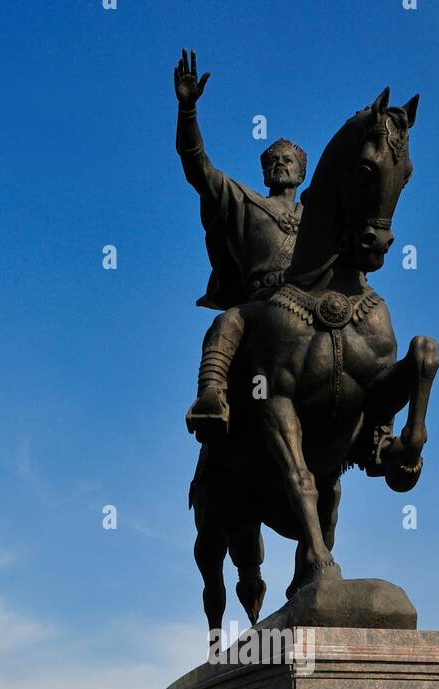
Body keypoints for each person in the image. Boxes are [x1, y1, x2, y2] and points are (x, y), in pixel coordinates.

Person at [174, 49, 308, 438]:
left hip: (310, 304)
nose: (281, 164)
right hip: (259, 305)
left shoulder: (316, 218)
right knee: (226, 321)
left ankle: (377, 428)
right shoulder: (243, 201)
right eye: (274, 160)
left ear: (302, 172)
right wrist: (188, 111)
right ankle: (211, 397)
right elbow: (196, 165)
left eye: (289, 160)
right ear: (265, 171)